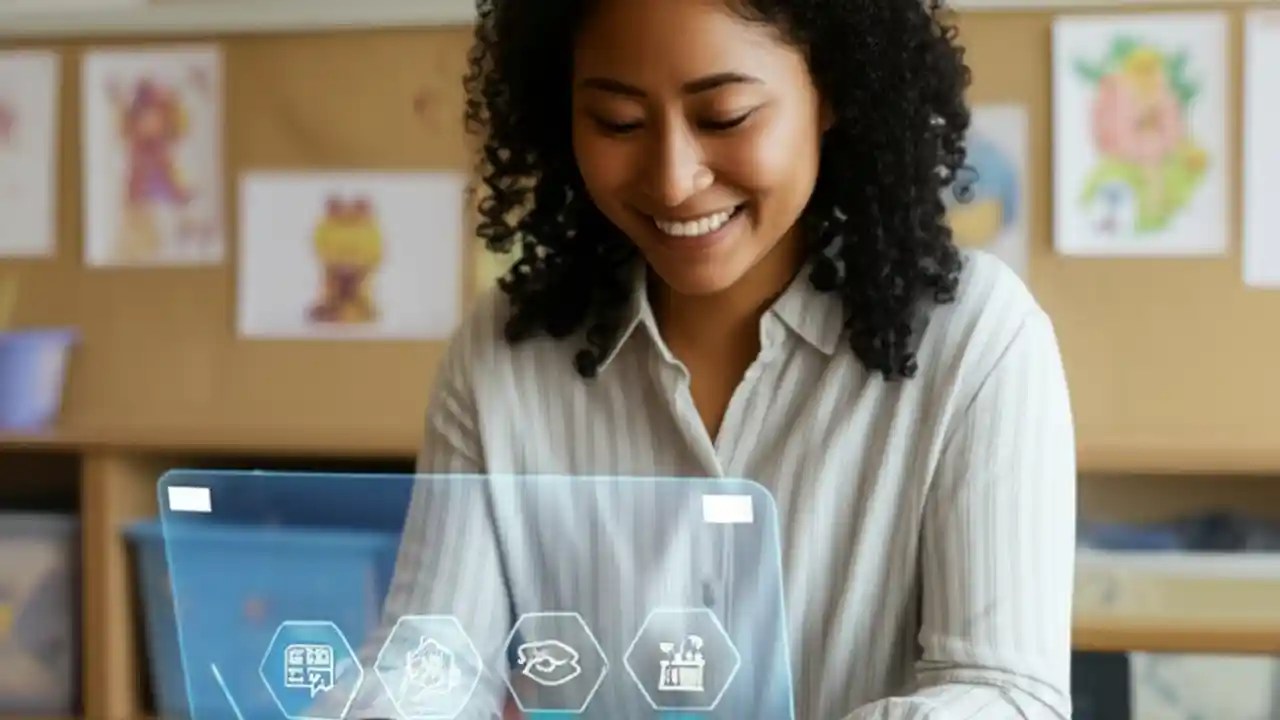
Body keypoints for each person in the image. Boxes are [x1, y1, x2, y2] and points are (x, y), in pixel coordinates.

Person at [359, 0, 1078, 718]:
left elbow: (1005, 695)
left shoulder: (976, 338)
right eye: (618, 122)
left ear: (832, 90)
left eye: (726, 116)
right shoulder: (503, 355)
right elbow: (433, 660)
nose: (673, 180)